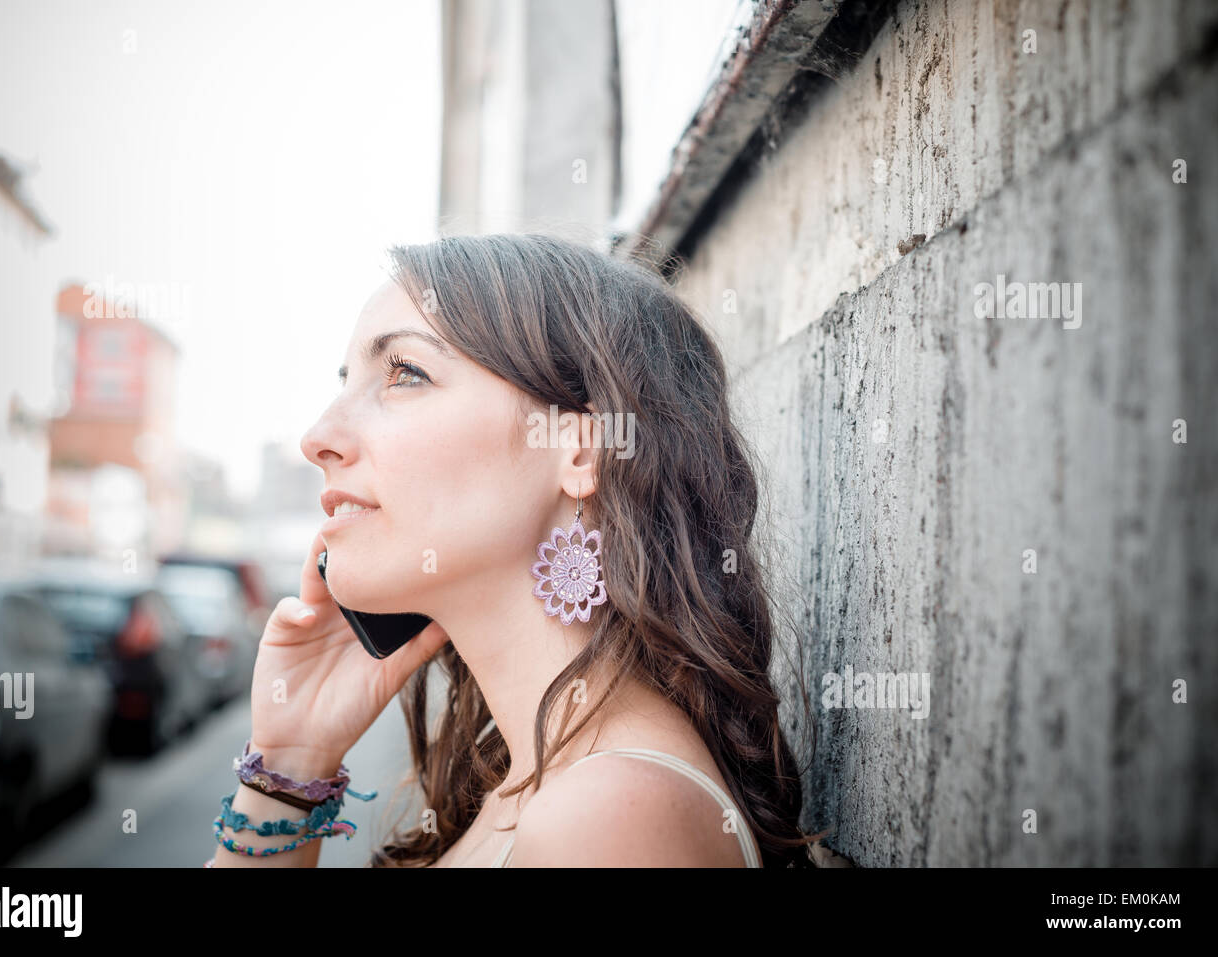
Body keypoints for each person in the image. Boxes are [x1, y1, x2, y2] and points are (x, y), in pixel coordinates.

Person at [208, 231, 831, 868]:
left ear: (581, 451)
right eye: (347, 382)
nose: (318, 438)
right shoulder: (534, 784)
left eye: (405, 374)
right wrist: (290, 762)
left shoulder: (607, 819)